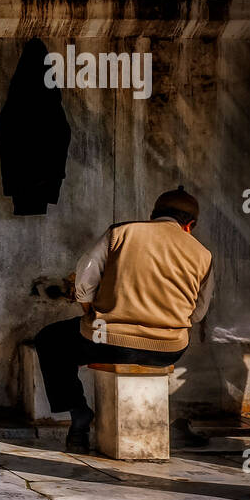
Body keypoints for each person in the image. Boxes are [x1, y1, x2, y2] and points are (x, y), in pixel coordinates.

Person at [34, 187, 214, 454]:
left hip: (108, 341)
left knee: (50, 339)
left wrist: (89, 309)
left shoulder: (121, 232)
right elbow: (197, 313)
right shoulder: (203, 254)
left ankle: (79, 413)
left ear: (152, 215)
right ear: (191, 225)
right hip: (168, 350)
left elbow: (84, 279)